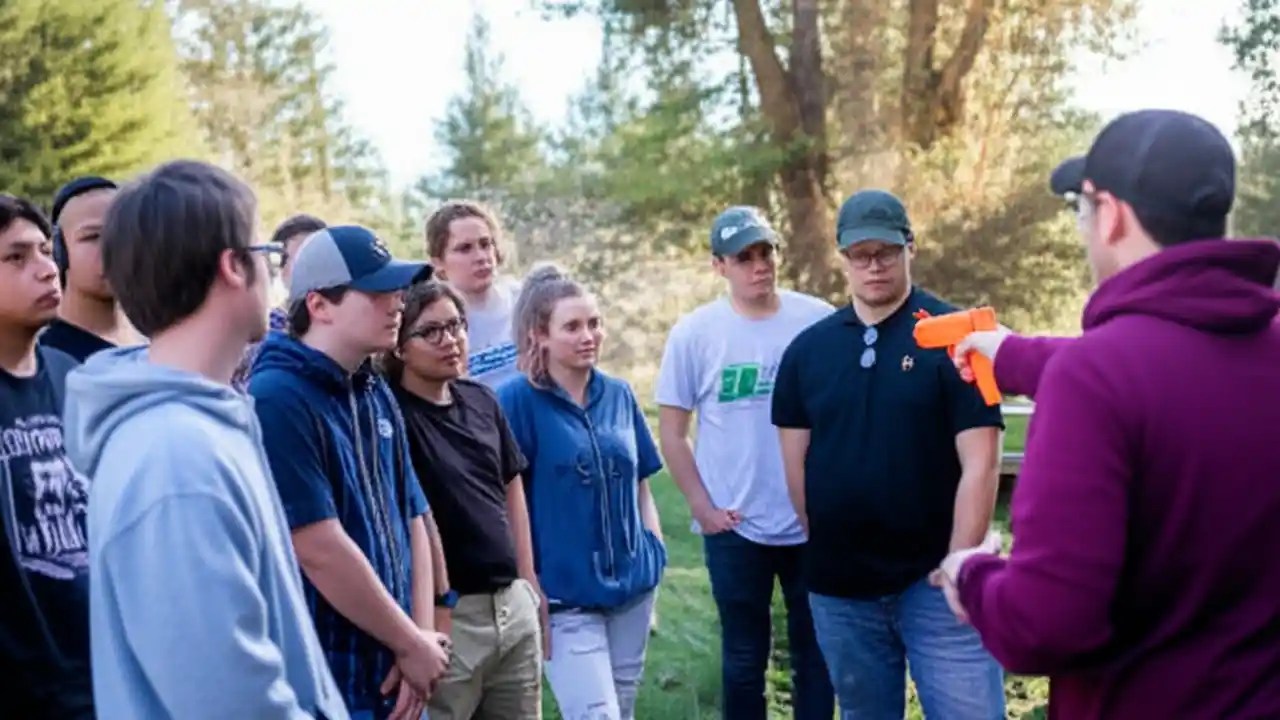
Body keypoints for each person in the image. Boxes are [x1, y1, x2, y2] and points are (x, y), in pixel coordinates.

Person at [935, 109, 1280, 718]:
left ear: (1112, 214)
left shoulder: (1095, 379)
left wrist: (973, 576)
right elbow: (1175, 372)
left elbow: (1046, 625)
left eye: (1081, 207)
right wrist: (1010, 353)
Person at [58, 160, 348, 719]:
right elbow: (228, 700)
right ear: (233, 267)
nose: (272, 273)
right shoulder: (175, 458)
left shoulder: (204, 427)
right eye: (266, 255)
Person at [770, 189, 1006, 719]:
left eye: (886, 252)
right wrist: (830, 537)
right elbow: (795, 465)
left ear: (910, 248)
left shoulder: (957, 339)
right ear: (844, 259)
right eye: (860, 255)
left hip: (935, 586)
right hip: (842, 592)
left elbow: (982, 461)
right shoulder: (808, 353)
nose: (873, 266)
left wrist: (957, 563)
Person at [249, 224, 449, 720]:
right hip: (328, 680)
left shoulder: (373, 388)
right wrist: (409, 642)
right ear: (319, 305)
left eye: (397, 289)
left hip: (397, 668)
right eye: (378, 291)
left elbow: (412, 516)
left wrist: (417, 641)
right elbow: (316, 546)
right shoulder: (277, 397)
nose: (398, 301)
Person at [654, 206, 834, 720]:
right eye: (744, 257)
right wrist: (703, 509)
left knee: (816, 655)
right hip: (735, 527)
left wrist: (829, 502)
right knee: (743, 657)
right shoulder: (696, 334)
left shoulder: (817, 320)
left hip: (811, 522)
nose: (760, 266)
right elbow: (673, 432)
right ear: (719, 266)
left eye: (766, 253)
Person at [496, 264, 666, 720]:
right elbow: (504, 503)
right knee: (597, 715)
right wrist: (529, 586)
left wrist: (655, 550)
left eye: (594, 323)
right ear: (541, 336)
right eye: (572, 326)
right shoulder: (517, 401)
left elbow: (642, 482)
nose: (588, 335)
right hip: (564, 598)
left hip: (633, 589)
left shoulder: (620, 394)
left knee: (622, 709)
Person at [383, 280, 546, 719]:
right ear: (399, 347)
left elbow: (511, 488)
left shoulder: (482, 399)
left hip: (511, 606)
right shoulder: (391, 415)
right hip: (450, 616)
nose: (450, 340)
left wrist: (528, 584)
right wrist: (430, 618)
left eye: (456, 326)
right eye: (431, 331)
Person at [0, 194, 93, 719]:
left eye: (43, 250)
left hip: (99, 683)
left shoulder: (73, 379)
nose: (45, 270)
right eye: (16, 258)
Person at [39, 176, 139, 362]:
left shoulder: (158, 340)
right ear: (59, 251)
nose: (113, 247)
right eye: (93, 236)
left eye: (123, 231)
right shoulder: (46, 362)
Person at [425, 200, 520, 387]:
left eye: (486, 244)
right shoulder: (433, 325)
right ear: (438, 262)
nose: (481, 257)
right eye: (464, 249)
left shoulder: (524, 300)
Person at [232, 213, 327, 390]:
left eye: (326, 258)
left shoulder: (349, 332)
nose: (319, 268)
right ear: (281, 269)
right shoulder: (259, 337)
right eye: (305, 259)